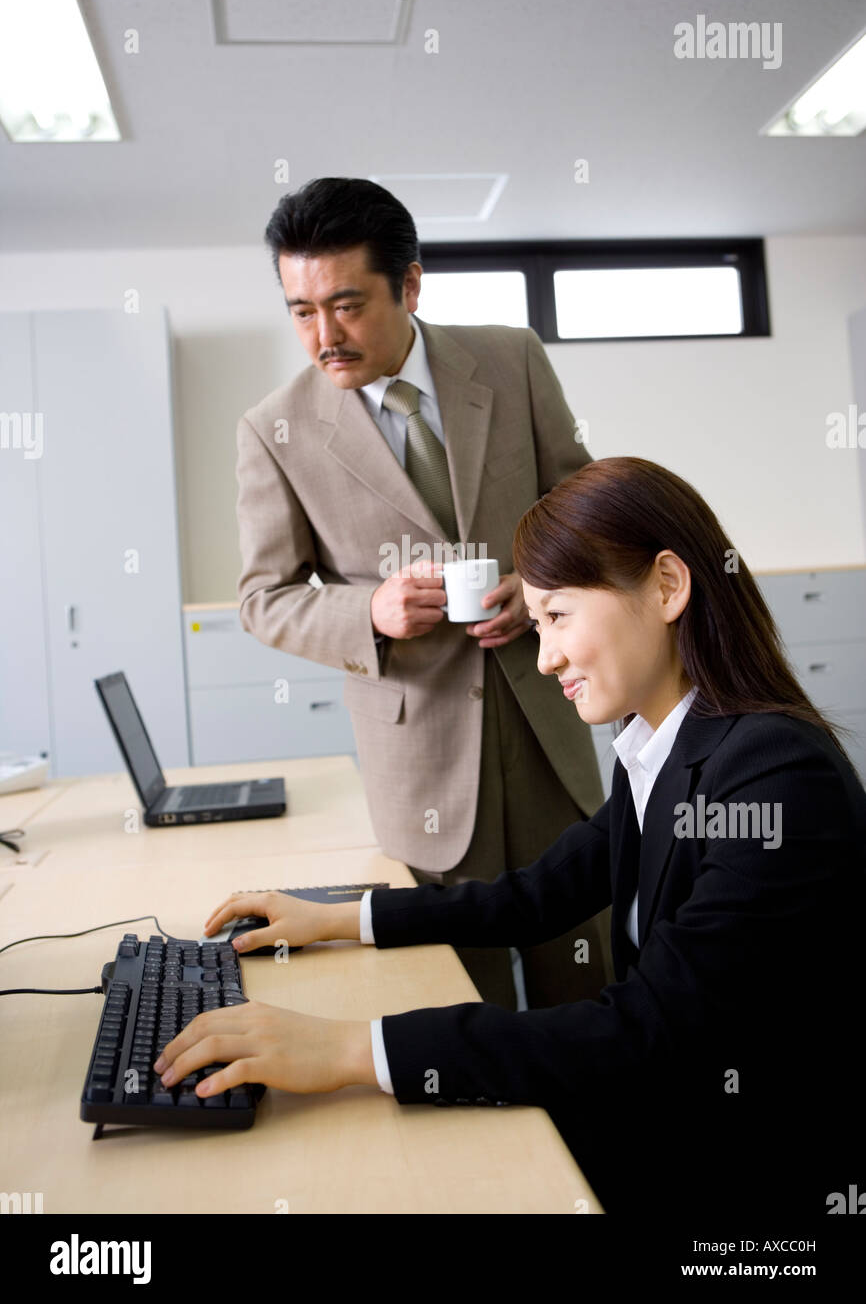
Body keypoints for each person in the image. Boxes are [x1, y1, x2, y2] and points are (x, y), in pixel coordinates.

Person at [158, 456, 865, 1216]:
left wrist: (345, 1051)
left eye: (557, 616)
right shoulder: (658, 743)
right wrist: (343, 917)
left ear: (668, 586)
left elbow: (647, 1030)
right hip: (672, 1116)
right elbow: (538, 895)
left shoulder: (776, 776)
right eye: (537, 624)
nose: (546, 656)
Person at [234, 176, 612, 1011]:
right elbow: (264, 596)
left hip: (551, 725)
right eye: (301, 311)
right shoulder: (274, 429)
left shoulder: (511, 359)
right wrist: (368, 612)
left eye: (347, 304)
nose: (324, 336)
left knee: (587, 986)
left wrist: (539, 587)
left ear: (409, 284)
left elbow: (584, 508)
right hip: (424, 765)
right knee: (461, 1005)